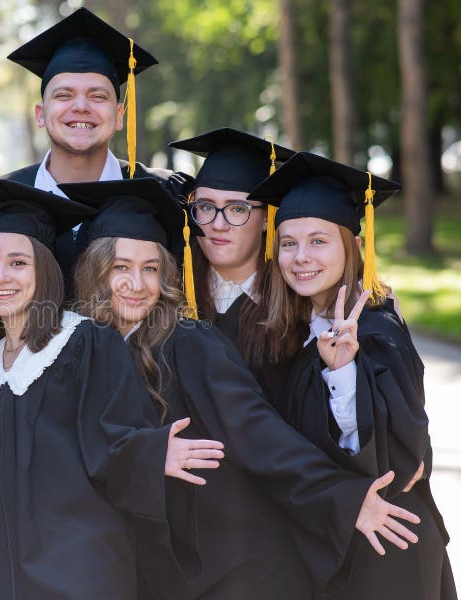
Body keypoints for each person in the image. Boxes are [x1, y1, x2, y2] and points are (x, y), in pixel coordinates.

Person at [64, 177, 425, 599]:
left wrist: (343, 497)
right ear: (95, 270)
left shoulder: (188, 342)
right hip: (146, 569)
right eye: (120, 267)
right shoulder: (78, 353)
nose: (137, 284)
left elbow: (260, 434)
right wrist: (146, 453)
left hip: (230, 571)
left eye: (151, 268)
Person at [0, 179, 223, 600]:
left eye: (18, 263)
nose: (0, 276)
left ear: (44, 267)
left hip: (78, 578)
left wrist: (151, 453)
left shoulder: (87, 342)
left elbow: (114, 436)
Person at [250, 151, 456, 599]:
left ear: (354, 247)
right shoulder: (296, 331)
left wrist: (343, 374)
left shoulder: (380, 332)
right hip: (330, 550)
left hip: (386, 554)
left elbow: (396, 466)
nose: (300, 257)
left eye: (318, 241)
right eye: (288, 243)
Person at [0, 7, 194, 284]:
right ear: (40, 114)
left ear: (119, 116)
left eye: (97, 96)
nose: (81, 106)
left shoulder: (165, 195)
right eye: (64, 95)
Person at [169, 128, 296, 411]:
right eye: (205, 206)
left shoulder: (296, 303)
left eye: (238, 209)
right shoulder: (171, 296)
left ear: (267, 218)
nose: (218, 224)